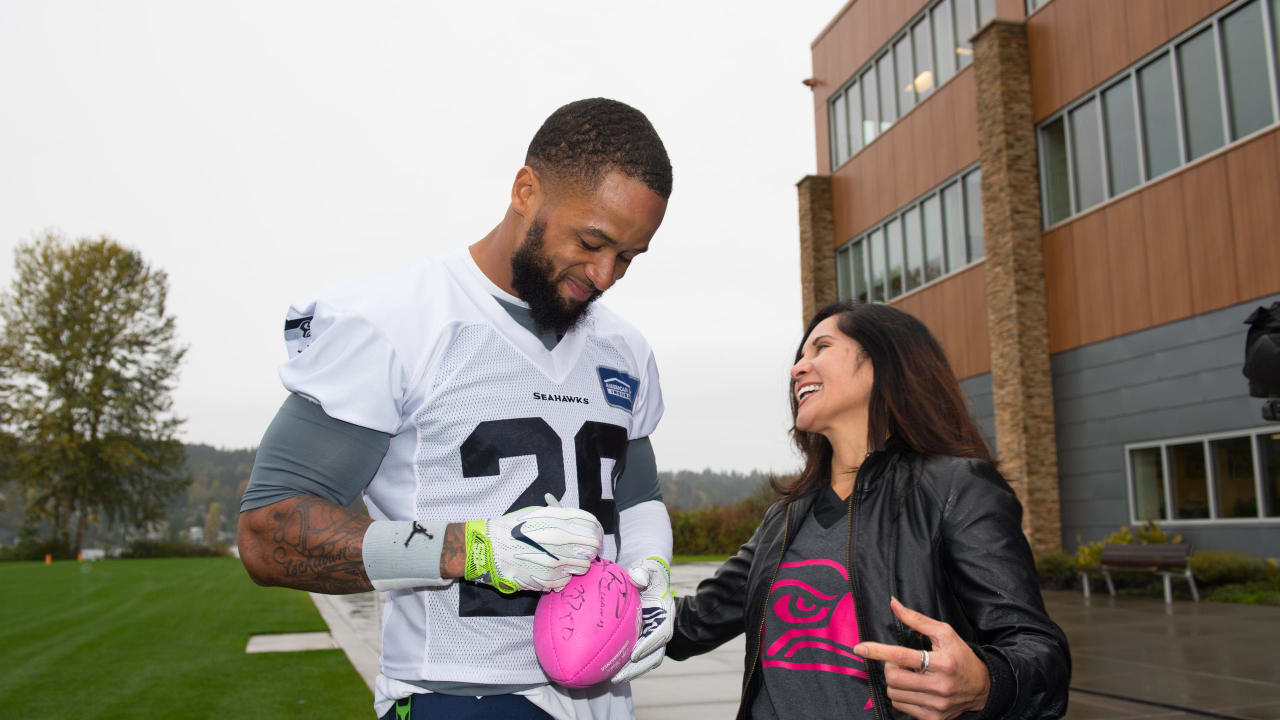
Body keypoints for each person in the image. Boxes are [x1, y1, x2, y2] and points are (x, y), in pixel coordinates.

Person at [236, 98, 678, 720]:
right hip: (458, 695)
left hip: (604, 700)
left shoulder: (623, 348)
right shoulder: (395, 320)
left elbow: (635, 498)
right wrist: (467, 551)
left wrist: (649, 571)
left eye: (628, 258)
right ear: (527, 189)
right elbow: (268, 533)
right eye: (592, 241)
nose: (605, 274)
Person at [654, 301, 1070, 719]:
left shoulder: (955, 488)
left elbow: (1037, 651)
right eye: (800, 356)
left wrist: (984, 682)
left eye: (821, 347)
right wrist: (600, 586)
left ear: (884, 361)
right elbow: (690, 626)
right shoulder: (785, 518)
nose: (798, 368)